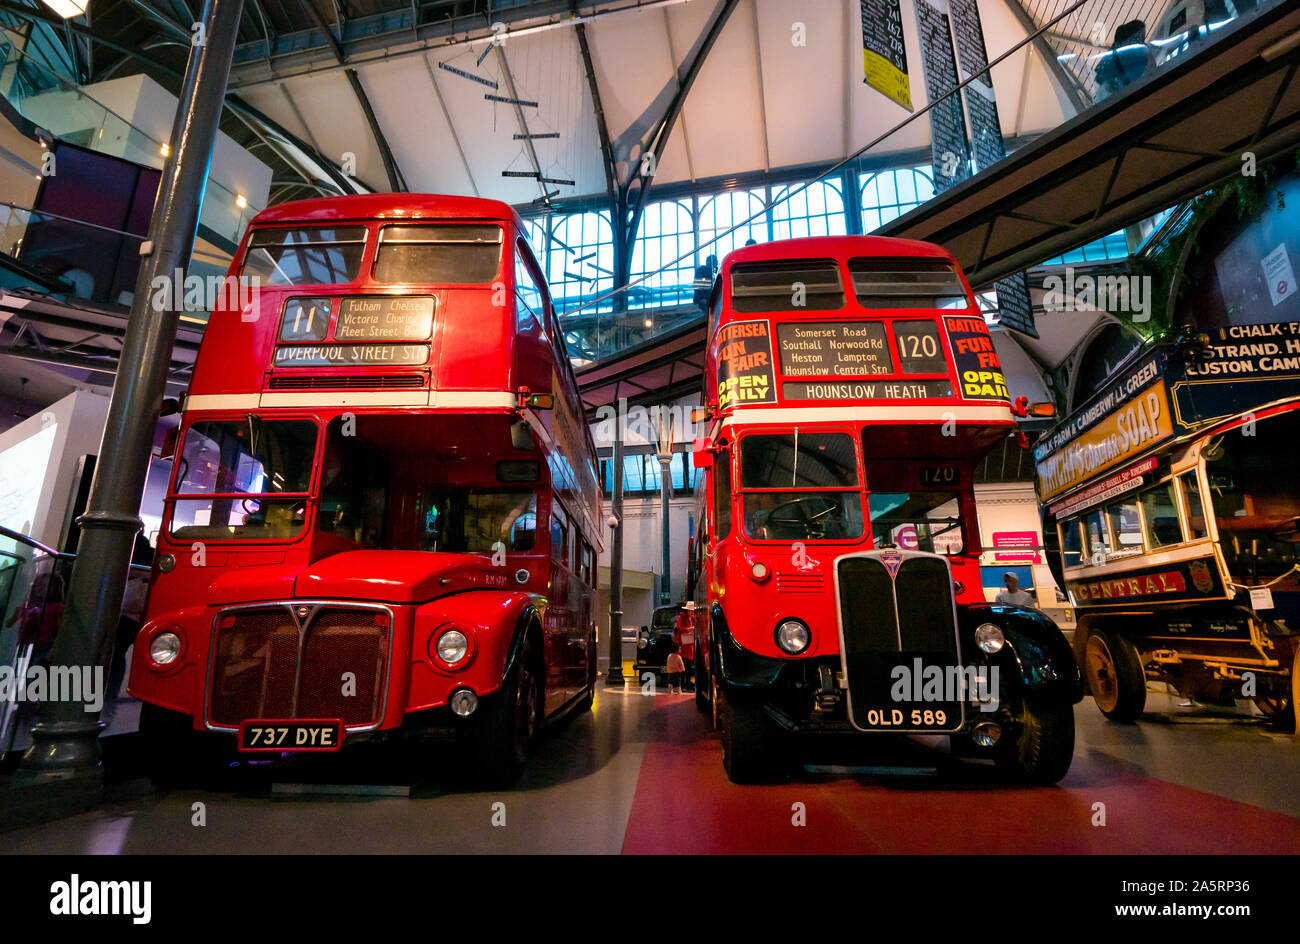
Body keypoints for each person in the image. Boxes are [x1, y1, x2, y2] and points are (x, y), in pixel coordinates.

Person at [673, 605, 696, 690]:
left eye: (692, 610)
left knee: (689, 664)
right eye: (690, 610)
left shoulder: (693, 618)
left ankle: (687, 683)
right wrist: (688, 629)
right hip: (683, 642)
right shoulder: (681, 617)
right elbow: (679, 628)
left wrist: (692, 629)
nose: (692, 612)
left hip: (690, 642)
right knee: (683, 663)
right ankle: (681, 684)